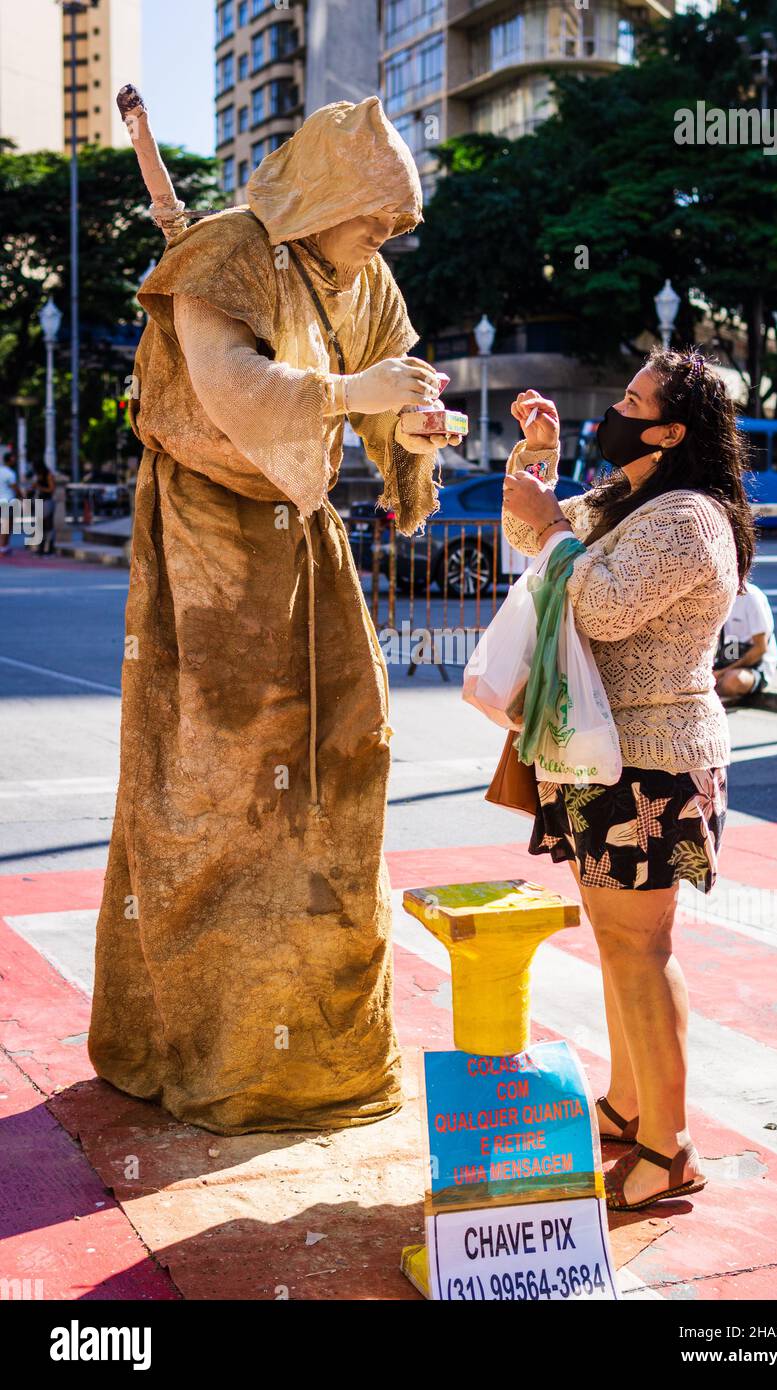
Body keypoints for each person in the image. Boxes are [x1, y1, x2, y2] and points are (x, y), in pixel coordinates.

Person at [88, 97, 461, 1136]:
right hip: (205, 528)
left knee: (348, 746)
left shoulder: (365, 279)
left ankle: (321, 1052)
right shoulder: (224, 251)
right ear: (324, 198)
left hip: (303, 530)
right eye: (373, 214)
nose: (385, 234)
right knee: (218, 776)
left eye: (397, 219)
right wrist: (352, 393)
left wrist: (412, 428)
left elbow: (389, 395)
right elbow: (229, 385)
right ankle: (212, 1043)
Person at [501, 347, 755, 1212]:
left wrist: (551, 530)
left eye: (634, 402)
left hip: (654, 759)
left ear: (672, 432)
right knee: (618, 944)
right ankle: (629, 1103)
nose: (616, 411)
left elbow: (602, 604)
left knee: (641, 948)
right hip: (603, 751)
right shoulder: (625, 498)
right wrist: (541, 453)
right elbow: (528, 532)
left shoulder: (689, 518)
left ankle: (670, 1148)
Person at [714, 580, 777, 701]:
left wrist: (722, 672)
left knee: (732, 680)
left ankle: (712, 696)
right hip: (729, 657)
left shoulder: (751, 596)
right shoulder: (720, 596)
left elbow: (760, 648)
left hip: (755, 666)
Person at [28, 464, 57, 556]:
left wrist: (40, 487)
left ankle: (49, 549)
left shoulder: (48, 475)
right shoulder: (38, 476)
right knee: (40, 526)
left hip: (47, 501)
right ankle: (41, 548)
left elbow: (51, 489)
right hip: (39, 501)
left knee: (48, 525)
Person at [0, 452, 20, 556]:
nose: (15, 461)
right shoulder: (10, 473)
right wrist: (22, 496)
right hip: (8, 501)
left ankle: (5, 547)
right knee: (7, 526)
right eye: (13, 459)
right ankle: (3, 547)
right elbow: (15, 488)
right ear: (10, 460)